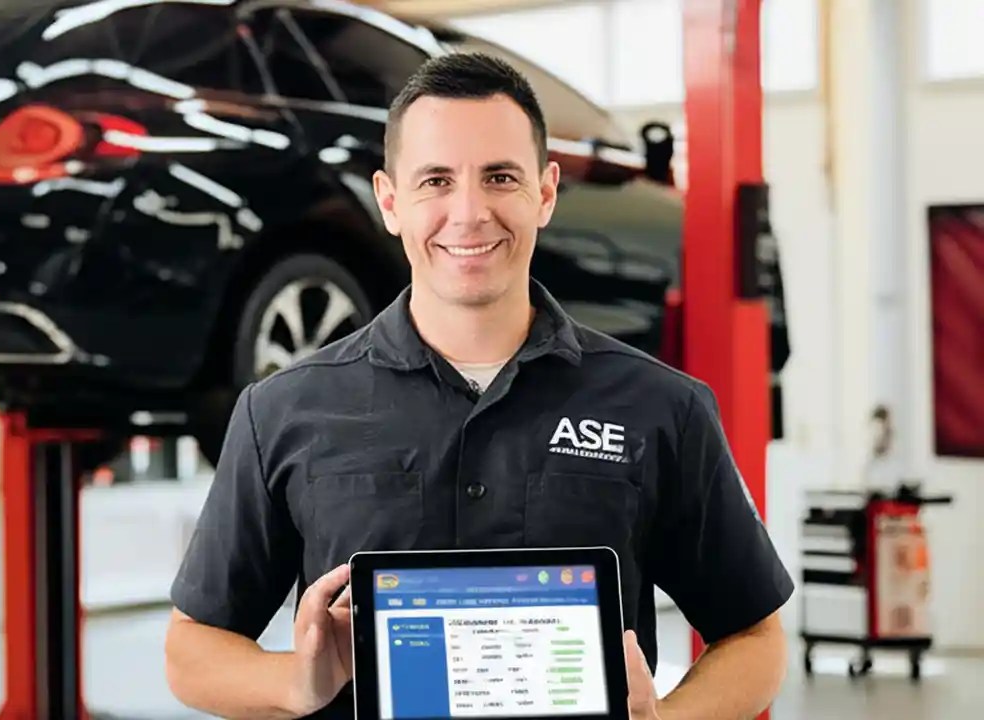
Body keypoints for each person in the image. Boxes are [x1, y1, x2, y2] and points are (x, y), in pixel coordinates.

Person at [164, 52, 794, 720]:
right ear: (389, 200)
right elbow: (191, 649)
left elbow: (754, 636)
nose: (469, 213)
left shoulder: (663, 409)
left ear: (545, 193)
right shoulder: (282, 411)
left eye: (500, 177)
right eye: (436, 180)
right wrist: (299, 683)